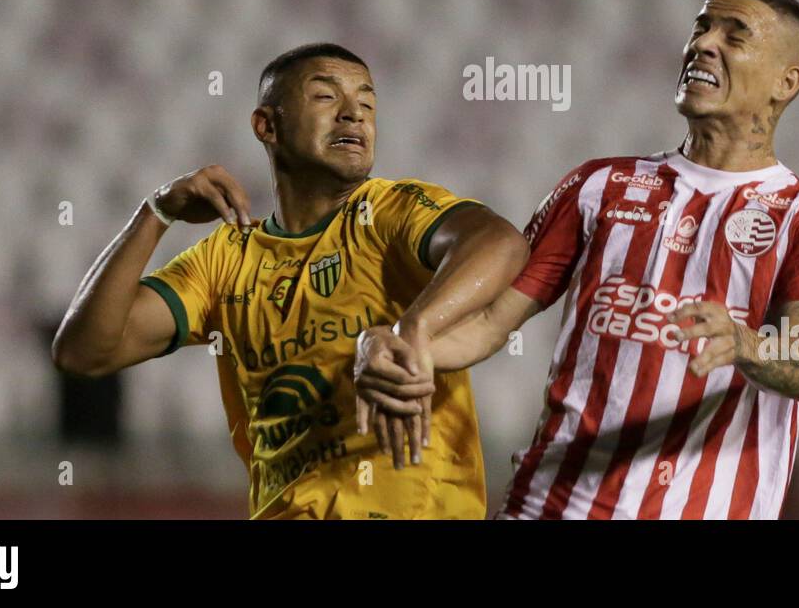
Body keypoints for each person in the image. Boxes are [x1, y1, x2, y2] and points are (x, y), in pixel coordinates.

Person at [356, 0, 799, 519]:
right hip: (552, 505)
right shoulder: (600, 185)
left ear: (786, 82)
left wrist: (744, 343)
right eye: (701, 27)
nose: (704, 44)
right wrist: (400, 347)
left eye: (734, 36)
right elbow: (491, 321)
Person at [52, 43, 529, 519]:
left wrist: (412, 330)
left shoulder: (390, 211)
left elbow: (499, 243)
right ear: (267, 125)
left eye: (367, 103)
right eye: (326, 97)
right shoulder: (224, 259)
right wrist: (155, 213)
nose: (353, 115)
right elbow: (83, 351)